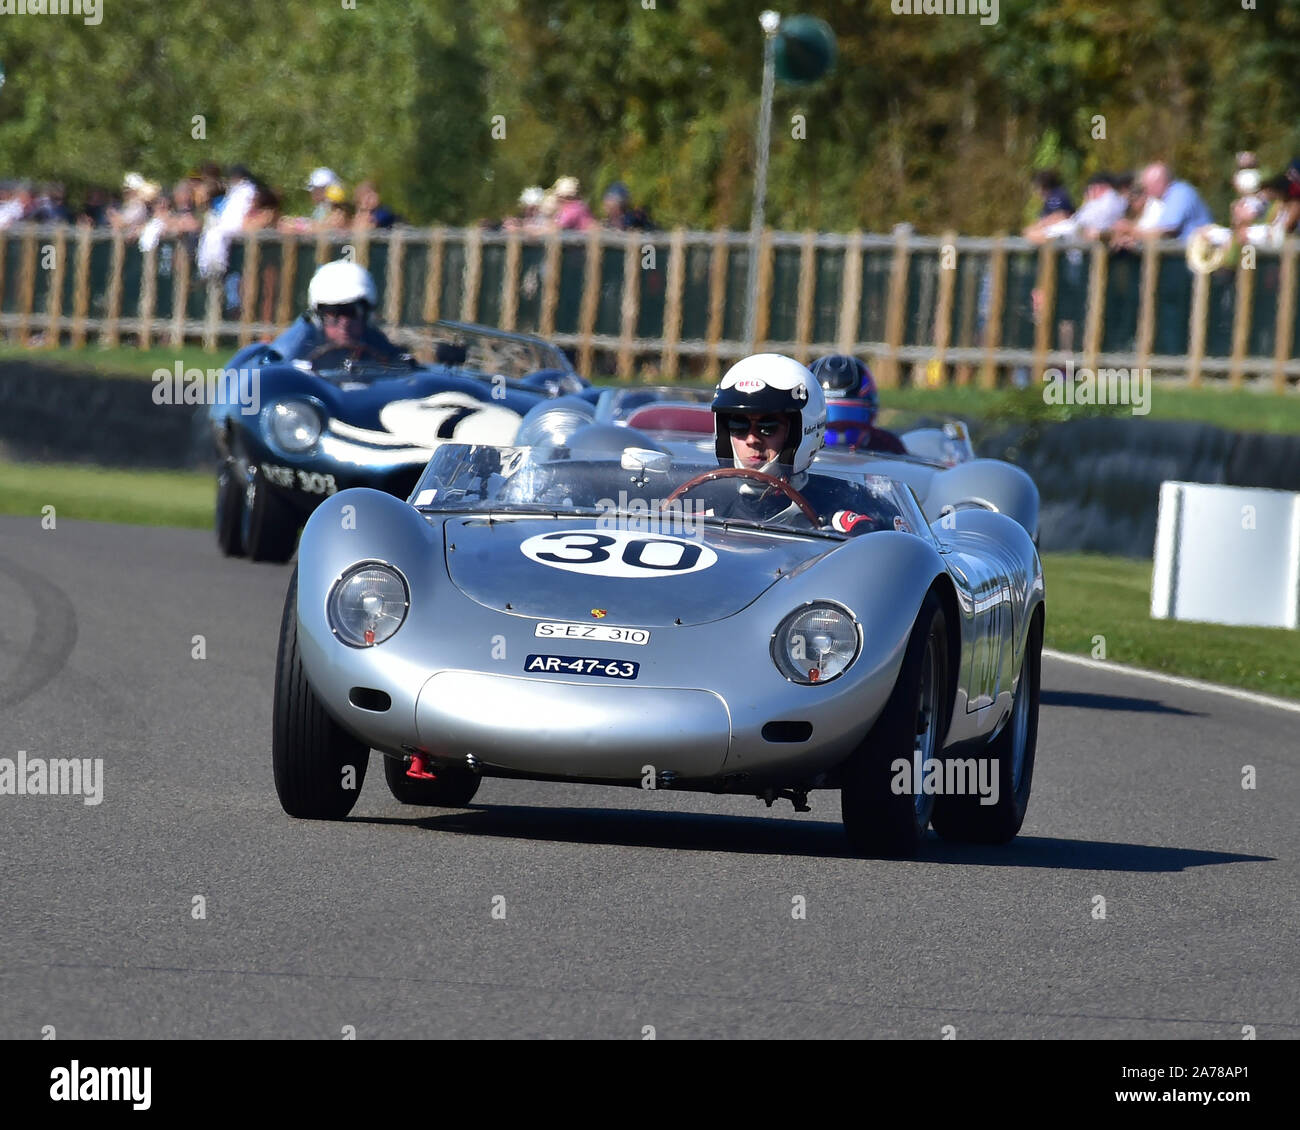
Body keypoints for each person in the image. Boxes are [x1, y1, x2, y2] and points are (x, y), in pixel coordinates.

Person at [684, 354, 899, 534]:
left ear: (802, 431)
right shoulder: (691, 499)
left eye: (768, 427)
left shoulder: (848, 507)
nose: (751, 439)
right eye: (738, 425)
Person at [259, 259, 408, 364]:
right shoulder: (297, 345)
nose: (344, 323)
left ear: (366, 316)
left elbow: (406, 368)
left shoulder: (377, 343)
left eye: (352, 312)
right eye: (333, 313)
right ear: (318, 317)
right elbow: (271, 367)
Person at [809, 354, 906, 454]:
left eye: (848, 417)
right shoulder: (889, 445)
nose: (840, 431)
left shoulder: (887, 444)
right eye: (825, 416)